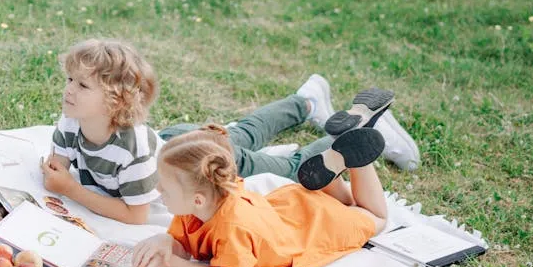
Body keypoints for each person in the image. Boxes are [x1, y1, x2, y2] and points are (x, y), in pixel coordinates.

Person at [131, 114, 390, 267]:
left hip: (318, 228)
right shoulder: (201, 199)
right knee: (347, 207)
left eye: (165, 188)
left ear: (198, 200)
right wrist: (164, 241)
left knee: (375, 217)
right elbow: (184, 243)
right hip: (293, 206)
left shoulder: (233, 229)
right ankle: (331, 172)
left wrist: (170, 263)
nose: (157, 189)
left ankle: (360, 164)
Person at [159, 74, 421, 175]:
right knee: (245, 133)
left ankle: (366, 130)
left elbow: (135, 214)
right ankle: (305, 102)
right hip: (171, 137)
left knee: (294, 171)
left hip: (191, 163)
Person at [40, 39, 163, 225]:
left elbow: (137, 216)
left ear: (116, 101)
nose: (69, 90)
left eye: (83, 85)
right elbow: (56, 173)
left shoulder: (134, 149)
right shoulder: (71, 121)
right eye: (70, 79)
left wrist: (72, 189)